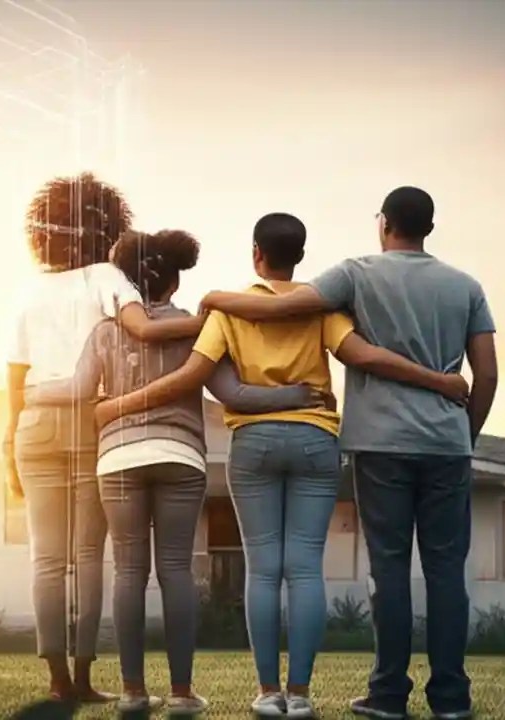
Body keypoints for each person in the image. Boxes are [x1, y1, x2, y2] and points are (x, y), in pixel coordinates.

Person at [94, 213, 469, 719]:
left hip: (254, 444)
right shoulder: (323, 310)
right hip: (316, 440)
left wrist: (115, 407)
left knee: (264, 570)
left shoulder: (229, 311)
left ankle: (269, 693)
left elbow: (198, 376)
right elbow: (362, 354)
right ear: (300, 255)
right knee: (305, 567)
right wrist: (437, 380)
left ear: (256, 253)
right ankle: (301, 694)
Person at [200, 188, 499, 720]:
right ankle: (451, 700)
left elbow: (288, 305)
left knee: (387, 570)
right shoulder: (466, 286)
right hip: (444, 445)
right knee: (446, 572)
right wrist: (464, 436)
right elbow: (488, 374)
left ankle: (386, 696)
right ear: (429, 226)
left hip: (379, 444)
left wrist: (217, 298)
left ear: (383, 223)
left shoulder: (355, 275)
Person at [26, 228, 332, 716]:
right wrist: (292, 395)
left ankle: (131, 692)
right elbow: (235, 394)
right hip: (181, 457)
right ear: (173, 281)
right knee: (175, 570)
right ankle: (183, 694)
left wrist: (35, 392)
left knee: (127, 570)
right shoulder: (197, 326)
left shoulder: (104, 331)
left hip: (118, 458)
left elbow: (81, 390)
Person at [5, 173, 205, 705]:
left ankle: (56, 682)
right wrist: (204, 326)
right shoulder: (107, 276)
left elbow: (14, 374)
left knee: (46, 558)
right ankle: (88, 675)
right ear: (108, 229)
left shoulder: (27, 291)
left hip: (32, 421)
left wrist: (11, 436)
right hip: (92, 421)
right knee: (90, 554)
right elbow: (144, 329)